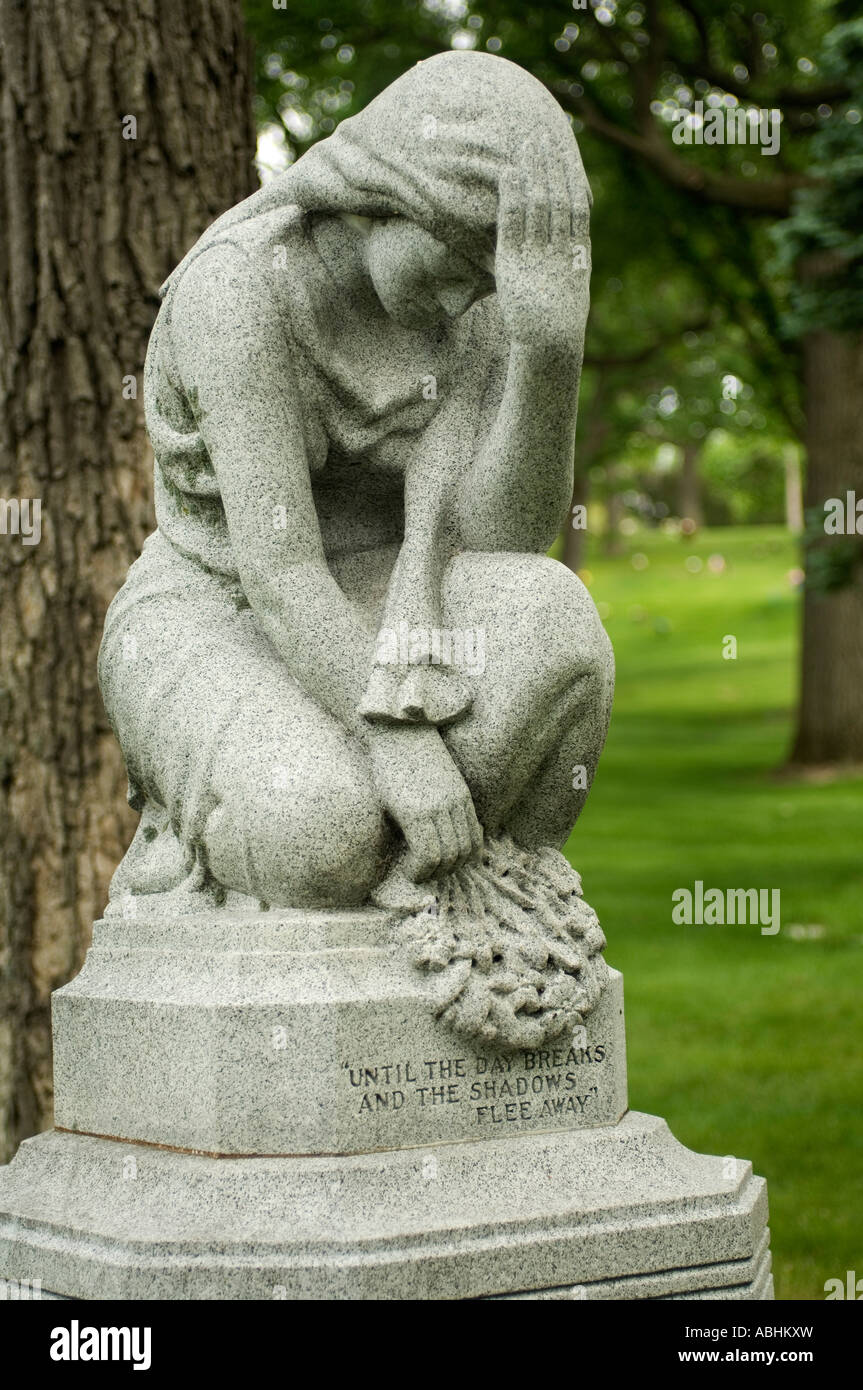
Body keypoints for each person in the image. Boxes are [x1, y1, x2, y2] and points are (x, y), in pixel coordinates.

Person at [98, 51, 613, 915]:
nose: (462, 298)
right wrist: (400, 746)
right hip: (221, 610)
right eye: (453, 258)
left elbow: (502, 542)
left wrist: (546, 351)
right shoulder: (241, 293)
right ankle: (242, 841)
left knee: (558, 627)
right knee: (321, 834)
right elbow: (281, 571)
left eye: (488, 280)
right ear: (387, 193)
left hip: (395, 601)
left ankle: (458, 874)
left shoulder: (478, 317)